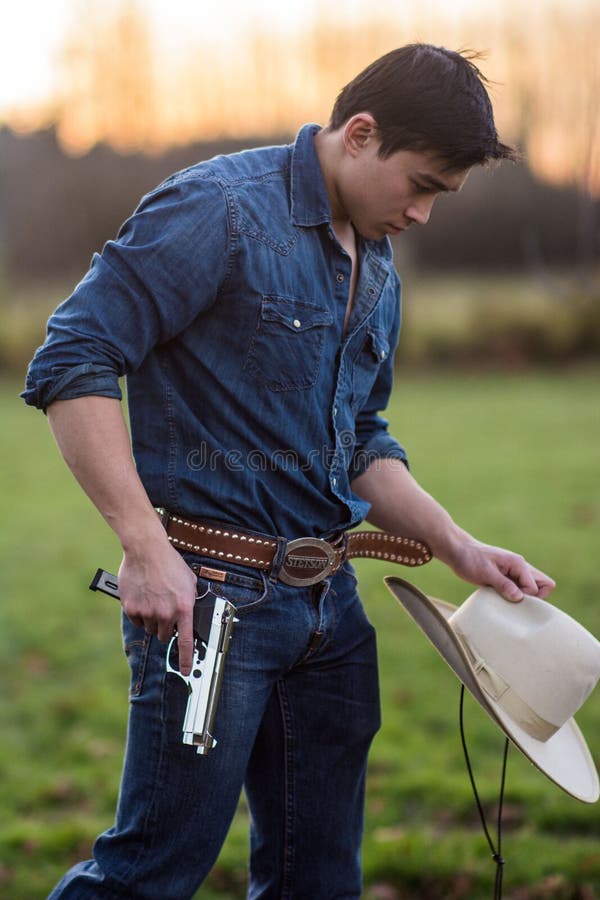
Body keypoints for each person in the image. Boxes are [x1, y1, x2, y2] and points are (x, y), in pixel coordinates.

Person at [23, 43, 555, 899]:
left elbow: (363, 439)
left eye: (440, 198)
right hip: (211, 606)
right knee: (149, 875)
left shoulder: (378, 264)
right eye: (420, 185)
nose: (423, 215)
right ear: (361, 132)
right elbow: (74, 355)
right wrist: (146, 547)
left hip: (331, 611)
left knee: (319, 879)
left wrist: (461, 548)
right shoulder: (218, 209)